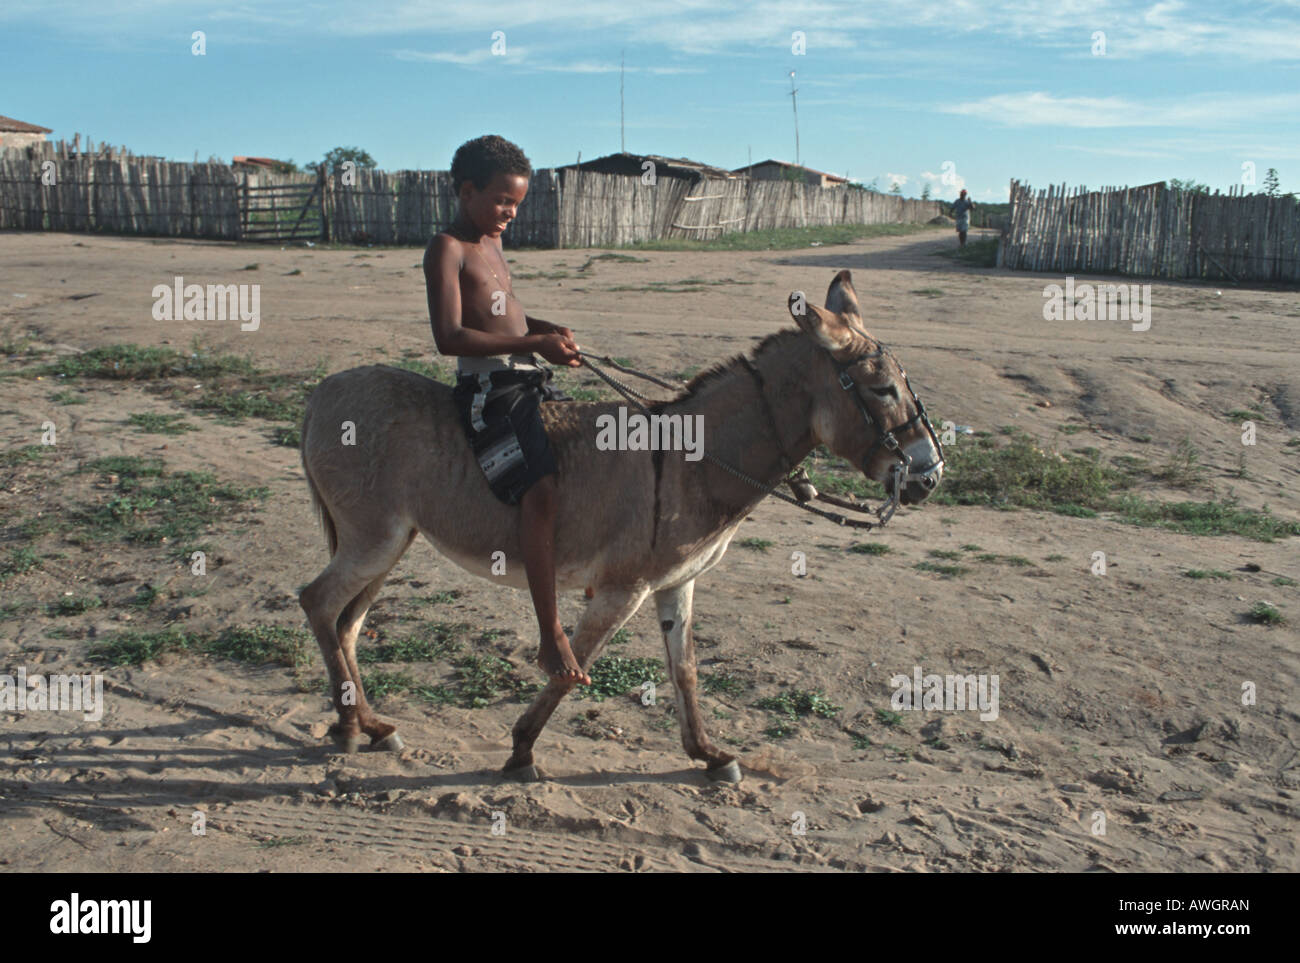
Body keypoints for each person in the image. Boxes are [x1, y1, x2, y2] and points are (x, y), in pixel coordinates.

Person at [423, 134, 590, 685]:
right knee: (540, 492)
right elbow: (450, 337)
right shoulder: (447, 247)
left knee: (590, 451)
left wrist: (544, 331)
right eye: (500, 201)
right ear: (467, 190)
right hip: (487, 393)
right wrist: (530, 346)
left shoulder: (493, 245)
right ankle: (551, 635)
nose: (509, 214)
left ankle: (586, 568)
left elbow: (503, 316)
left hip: (527, 378)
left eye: (516, 204)